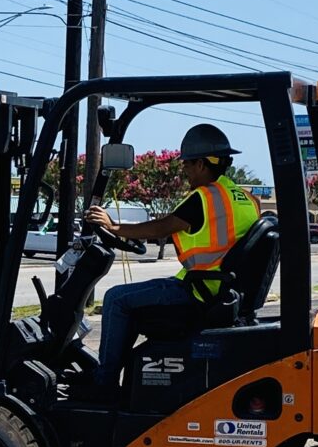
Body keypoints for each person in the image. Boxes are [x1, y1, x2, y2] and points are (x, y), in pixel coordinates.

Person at [82, 125, 260, 396]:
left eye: (187, 164)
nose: (184, 171)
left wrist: (114, 227)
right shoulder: (246, 198)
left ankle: (103, 383)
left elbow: (160, 228)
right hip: (221, 288)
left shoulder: (204, 197)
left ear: (201, 164)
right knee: (131, 299)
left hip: (198, 292)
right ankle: (122, 375)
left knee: (116, 298)